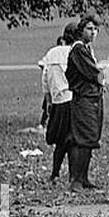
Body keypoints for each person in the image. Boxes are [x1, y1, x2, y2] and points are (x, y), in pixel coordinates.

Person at [64, 15, 105, 191]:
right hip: (83, 98)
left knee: (90, 137)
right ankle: (76, 180)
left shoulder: (87, 49)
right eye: (89, 28)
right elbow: (93, 72)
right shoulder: (79, 49)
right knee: (83, 137)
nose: (93, 32)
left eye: (95, 29)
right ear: (81, 31)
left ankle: (84, 178)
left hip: (92, 97)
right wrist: (104, 79)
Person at [37, 24, 78, 182]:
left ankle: (55, 173)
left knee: (61, 140)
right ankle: (74, 176)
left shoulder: (52, 53)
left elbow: (45, 78)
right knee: (74, 139)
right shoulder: (78, 52)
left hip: (58, 100)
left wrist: (48, 99)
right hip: (74, 99)